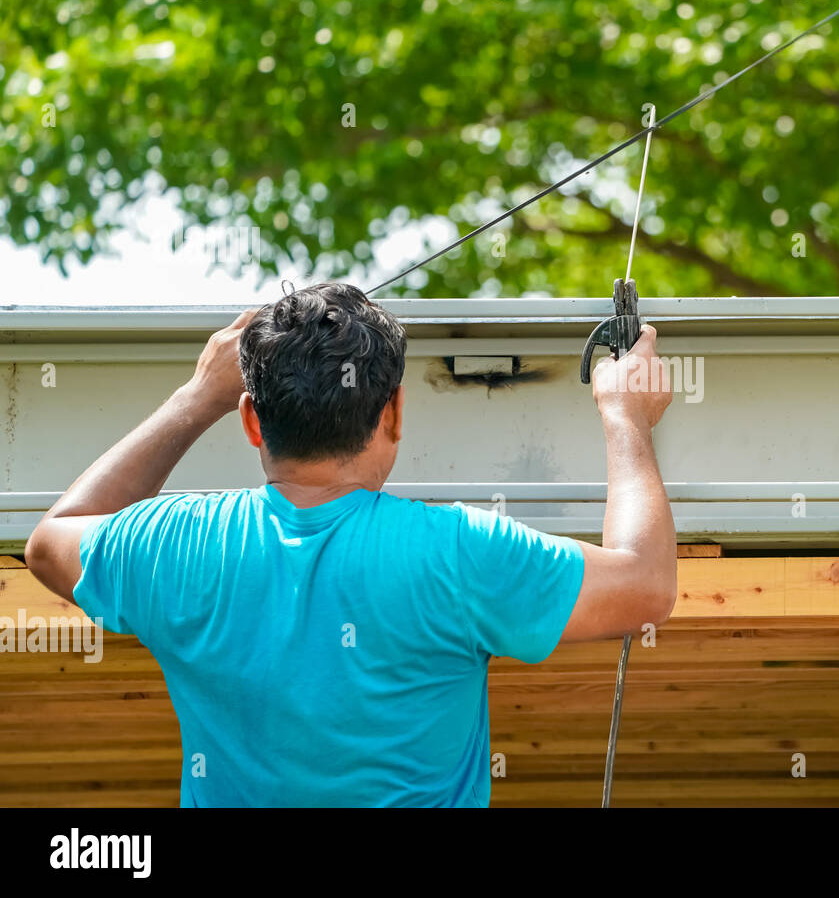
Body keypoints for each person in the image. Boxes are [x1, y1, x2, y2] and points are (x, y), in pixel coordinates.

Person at [24, 282, 677, 806]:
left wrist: (197, 398)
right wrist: (624, 417)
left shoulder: (179, 544)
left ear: (251, 419)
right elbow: (646, 585)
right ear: (392, 413)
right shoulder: (454, 552)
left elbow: (50, 542)